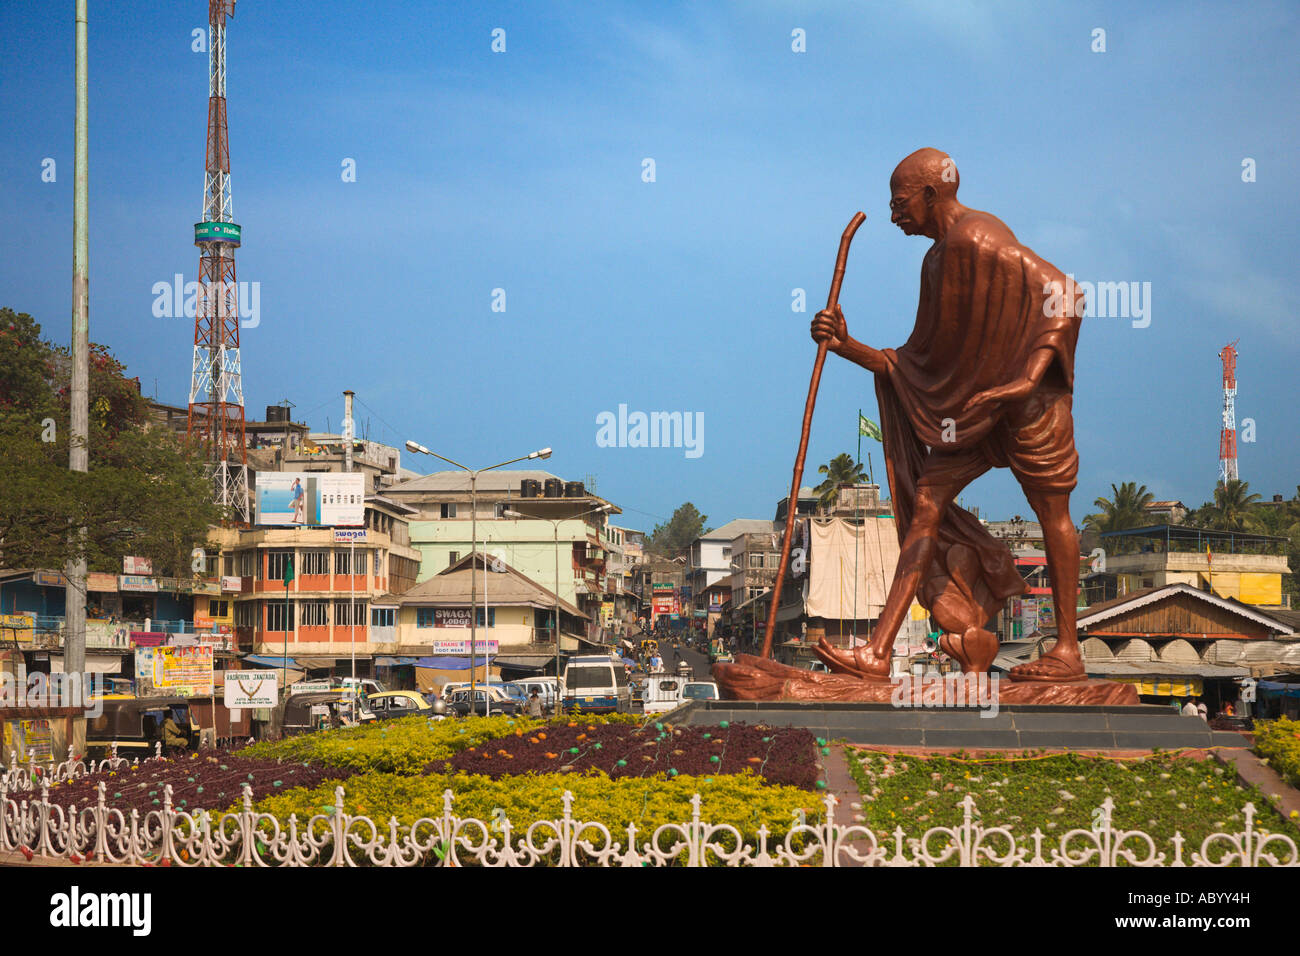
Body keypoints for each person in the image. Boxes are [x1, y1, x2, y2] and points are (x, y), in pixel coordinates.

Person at [811, 148, 1086, 683]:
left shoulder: (979, 238)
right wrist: (846, 345)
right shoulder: (936, 262)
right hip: (973, 412)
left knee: (1053, 514)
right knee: (926, 504)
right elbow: (919, 362)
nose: (894, 216)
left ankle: (1069, 649)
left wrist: (1026, 380)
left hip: (1026, 406)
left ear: (931, 195)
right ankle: (878, 652)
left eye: (900, 203)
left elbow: (1065, 293)